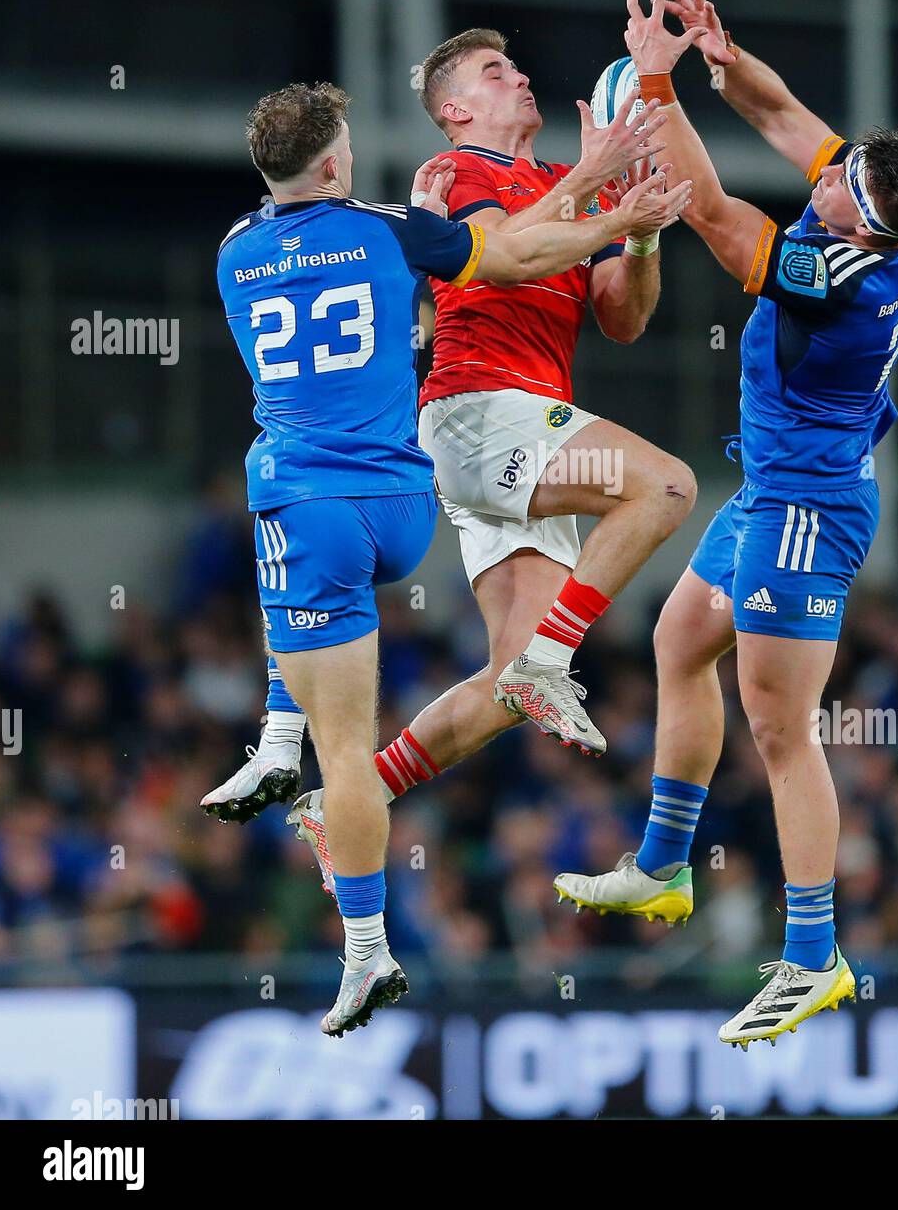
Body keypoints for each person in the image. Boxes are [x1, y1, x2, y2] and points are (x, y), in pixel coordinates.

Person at [215, 80, 690, 1035]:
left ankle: (363, 945)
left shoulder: (235, 252)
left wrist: (610, 213)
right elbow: (503, 257)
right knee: (659, 494)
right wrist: (607, 201)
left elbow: (523, 272)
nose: (519, 81)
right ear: (338, 161)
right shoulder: (401, 220)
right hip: (407, 496)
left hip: (315, 497)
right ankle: (287, 750)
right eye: (497, 73)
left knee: (337, 738)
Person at [554, 0, 898, 1049]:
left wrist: (652, 88)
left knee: (780, 729)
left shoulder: (841, 272)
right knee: (680, 641)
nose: (820, 189)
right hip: (777, 491)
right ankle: (664, 864)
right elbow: (784, 120)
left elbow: (715, 215)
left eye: (837, 195)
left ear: (861, 226)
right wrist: (724, 65)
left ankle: (814, 954)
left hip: (806, 510)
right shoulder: (877, 214)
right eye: (839, 177)